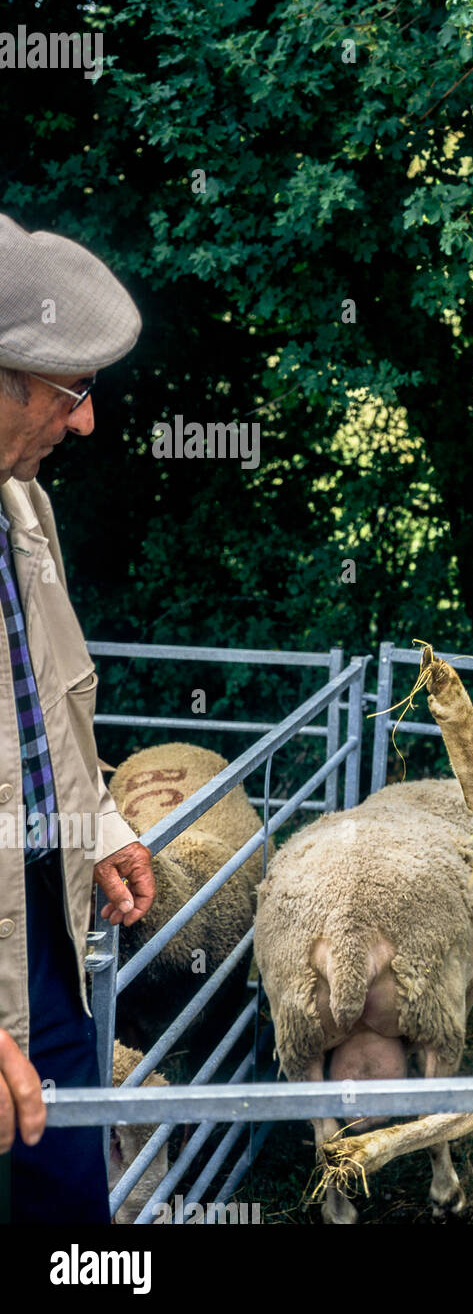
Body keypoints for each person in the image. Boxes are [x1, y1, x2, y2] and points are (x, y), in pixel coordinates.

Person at [0, 212, 156, 1223]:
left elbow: (48, 701)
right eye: (72, 391)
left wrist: (93, 823)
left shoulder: (24, 510)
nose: (87, 421)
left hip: (40, 936)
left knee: (70, 1217)